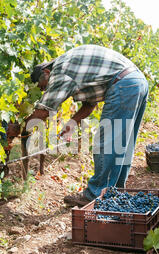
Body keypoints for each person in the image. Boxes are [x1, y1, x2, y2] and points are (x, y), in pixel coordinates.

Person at [26, 45, 148, 207]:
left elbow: (43, 112)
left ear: (46, 73)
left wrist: (22, 128)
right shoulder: (72, 65)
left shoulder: (59, 72)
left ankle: (95, 194)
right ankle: (113, 192)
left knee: (107, 143)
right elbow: (90, 104)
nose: (44, 91)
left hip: (124, 85)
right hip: (137, 82)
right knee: (122, 145)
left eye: (43, 87)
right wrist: (73, 121)